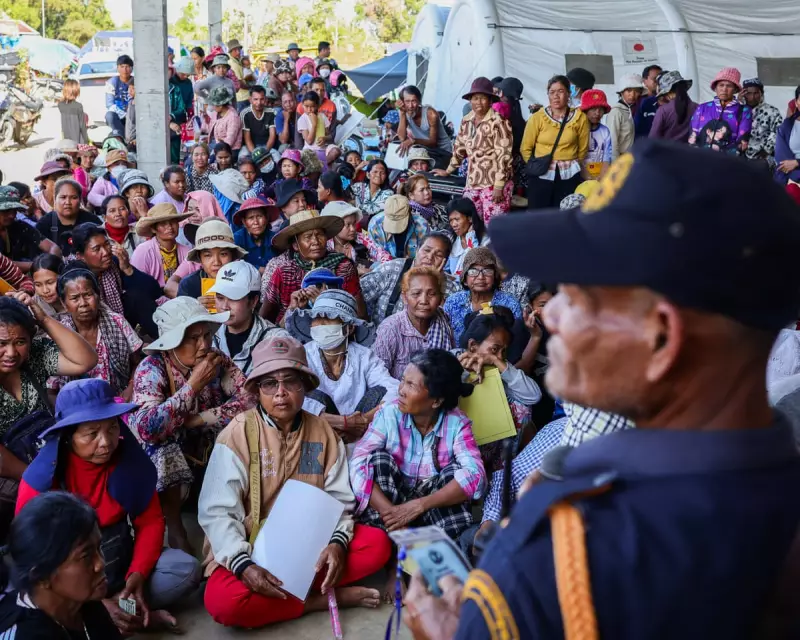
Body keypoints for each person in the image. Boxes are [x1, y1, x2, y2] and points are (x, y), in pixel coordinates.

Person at [404, 139, 800, 639]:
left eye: (580, 293)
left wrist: (449, 632)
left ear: (660, 337)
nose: (552, 314)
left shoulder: (557, 554)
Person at [198, 334, 389, 628]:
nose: (281, 393)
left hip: (311, 546)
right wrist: (244, 564)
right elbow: (218, 512)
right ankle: (317, 600)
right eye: (269, 384)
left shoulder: (323, 432)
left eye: (291, 381)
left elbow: (339, 498)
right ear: (257, 390)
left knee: (377, 545)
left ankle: (287, 593)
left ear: (306, 387)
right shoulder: (237, 434)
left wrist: (336, 544)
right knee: (222, 603)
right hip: (252, 547)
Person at [16, 379, 202, 634]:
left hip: (118, 571)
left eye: (112, 428)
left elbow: (149, 522)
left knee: (185, 570)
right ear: (68, 437)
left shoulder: (127, 459)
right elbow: (32, 563)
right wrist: (96, 603)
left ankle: (123, 612)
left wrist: (136, 575)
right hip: (73, 584)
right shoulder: (40, 483)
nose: (106, 442)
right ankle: (116, 617)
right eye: (92, 433)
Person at [350, 349, 486, 599]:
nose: (401, 389)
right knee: (377, 461)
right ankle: (395, 566)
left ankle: (415, 564)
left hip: (428, 507)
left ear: (435, 401)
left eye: (411, 384)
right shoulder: (389, 413)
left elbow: (476, 477)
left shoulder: (457, 423)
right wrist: (392, 513)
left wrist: (419, 505)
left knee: (455, 473)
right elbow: (358, 460)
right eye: (403, 380)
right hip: (390, 507)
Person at [129, 297, 254, 553]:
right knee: (163, 441)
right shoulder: (152, 369)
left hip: (207, 451)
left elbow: (250, 398)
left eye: (206, 335)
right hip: (173, 463)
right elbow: (148, 427)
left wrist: (201, 418)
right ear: (173, 342)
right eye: (192, 338)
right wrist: (192, 386)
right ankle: (175, 526)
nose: (204, 345)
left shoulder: (215, 360)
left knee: (247, 426)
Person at [0, 492, 123, 638]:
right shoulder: (24, 634)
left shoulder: (85, 604)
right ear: (42, 577)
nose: (100, 564)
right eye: (85, 556)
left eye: (98, 547)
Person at [285, 289, 397, 441]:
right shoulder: (303, 354)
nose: (320, 324)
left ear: (349, 328)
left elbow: (394, 390)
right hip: (318, 432)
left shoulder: (364, 356)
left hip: (360, 431)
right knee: (312, 396)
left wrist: (363, 420)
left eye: (329, 318)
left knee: (380, 392)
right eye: (317, 318)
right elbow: (291, 400)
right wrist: (343, 423)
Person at [0, 294, 96, 437]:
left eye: (20, 342)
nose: (11, 353)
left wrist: (44, 319)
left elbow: (86, 361)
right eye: (2, 343)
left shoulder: (34, 356)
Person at [47, 265, 141, 399]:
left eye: (88, 295)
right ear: (63, 303)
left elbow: (137, 362)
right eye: (75, 298)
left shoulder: (117, 322)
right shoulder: (58, 336)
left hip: (119, 399)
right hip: (77, 406)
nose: (83, 303)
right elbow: (51, 390)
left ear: (98, 296)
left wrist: (130, 389)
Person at [261, 209, 366, 323]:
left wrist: (325, 302)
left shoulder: (343, 267)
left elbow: (360, 316)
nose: (315, 241)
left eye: (319, 235)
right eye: (308, 237)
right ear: (296, 245)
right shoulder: (284, 272)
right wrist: (292, 308)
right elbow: (265, 318)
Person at [434, 78, 513, 224]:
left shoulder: (499, 122)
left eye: (483, 98)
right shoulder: (466, 120)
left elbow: (504, 155)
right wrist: (448, 170)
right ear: (470, 100)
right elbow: (459, 148)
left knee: (494, 227)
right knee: (472, 224)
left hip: (493, 184)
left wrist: (499, 185)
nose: (479, 102)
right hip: (472, 183)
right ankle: (475, 248)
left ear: (490, 101)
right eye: (475, 98)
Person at [70, 224, 161, 339]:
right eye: (96, 249)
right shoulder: (74, 277)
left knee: (136, 297)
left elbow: (154, 291)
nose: (105, 252)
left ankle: (168, 341)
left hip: (118, 316)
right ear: (80, 256)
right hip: (91, 326)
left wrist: (128, 269)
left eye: (106, 244)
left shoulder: (113, 262)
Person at [520, 75, 589, 209]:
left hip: (568, 174)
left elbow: (583, 148)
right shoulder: (538, 118)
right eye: (552, 92)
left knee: (564, 214)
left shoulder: (579, 118)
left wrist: (573, 163)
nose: (556, 96)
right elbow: (525, 148)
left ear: (569, 94)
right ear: (548, 95)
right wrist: (536, 166)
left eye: (560, 91)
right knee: (539, 215)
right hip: (541, 174)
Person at [372, 267, 455, 378]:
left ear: (440, 299)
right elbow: (377, 376)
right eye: (416, 293)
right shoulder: (390, 329)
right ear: (405, 297)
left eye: (431, 294)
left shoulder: (445, 320)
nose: (424, 301)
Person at [362, 232, 461, 324]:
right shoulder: (391, 270)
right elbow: (358, 295)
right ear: (417, 250)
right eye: (426, 250)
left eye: (438, 255)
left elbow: (450, 324)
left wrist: (436, 283)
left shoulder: (451, 290)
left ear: (445, 261)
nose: (430, 257)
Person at [210, 260, 283, 375]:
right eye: (220, 298)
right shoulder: (207, 337)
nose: (224, 307)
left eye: (233, 299)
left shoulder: (275, 341)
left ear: (253, 301)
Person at [444, 247, 523, 344]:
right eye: (473, 272)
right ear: (465, 279)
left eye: (487, 271)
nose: (481, 277)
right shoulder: (453, 302)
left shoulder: (510, 304)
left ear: (495, 277)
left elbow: (516, 343)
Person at [177, 218, 247, 302]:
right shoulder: (188, 285)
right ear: (200, 258)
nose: (217, 262)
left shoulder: (243, 281)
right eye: (208, 255)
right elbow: (181, 313)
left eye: (223, 254)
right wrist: (195, 307)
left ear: (232, 256)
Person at [689, 67, 752, 154]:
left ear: (735, 90)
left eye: (729, 86)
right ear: (715, 88)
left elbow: (742, 143)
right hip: (701, 160)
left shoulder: (744, 111)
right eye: (721, 85)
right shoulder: (702, 108)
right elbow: (692, 135)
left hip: (727, 163)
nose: (724, 89)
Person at [131, 203, 192, 289]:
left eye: (173, 222)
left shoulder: (187, 252)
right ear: (153, 229)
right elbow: (137, 285)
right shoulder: (143, 251)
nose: (170, 227)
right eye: (163, 224)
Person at [0, 186, 60, 272]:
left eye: (14, 210)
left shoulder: (19, 227)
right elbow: (2, 264)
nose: (12, 215)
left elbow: (52, 247)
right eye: (6, 210)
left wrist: (52, 261)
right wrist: (37, 265)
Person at [36, 179, 102, 255]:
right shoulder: (44, 224)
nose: (67, 202)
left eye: (73, 197)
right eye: (63, 197)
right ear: (55, 198)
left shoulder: (92, 221)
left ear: (80, 199)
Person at [396, 85, 454, 168]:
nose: (410, 106)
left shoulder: (431, 114)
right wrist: (402, 113)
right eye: (407, 101)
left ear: (419, 101)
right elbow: (401, 137)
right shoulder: (404, 111)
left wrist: (413, 141)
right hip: (426, 151)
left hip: (443, 153)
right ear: (402, 102)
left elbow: (433, 142)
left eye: (414, 101)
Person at [367, 194, 429, 261]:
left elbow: (425, 256)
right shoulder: (375, 225)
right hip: (383, 266)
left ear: (409, 212)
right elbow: (375, 255)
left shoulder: (422, 226)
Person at [741, 77, 783, 171]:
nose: (752, 97)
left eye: (756, 93)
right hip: (740, 157)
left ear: (761, 94)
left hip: (762, 157)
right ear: (744, 94)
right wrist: (738, 103)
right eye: (748, 93)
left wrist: (766, 152)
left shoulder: (772, 111)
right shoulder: (739, 110)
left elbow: (778, 132)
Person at [321, 200, 375, 269]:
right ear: (334, 226)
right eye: (348, 225)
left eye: (354, 223)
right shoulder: (326, 246)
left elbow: (381, 254)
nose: (352, 229)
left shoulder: (360, 238)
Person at [649, 70, 697, 142]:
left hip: (668, 152)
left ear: (668, 93)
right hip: (692, 152)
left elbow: (653, 138)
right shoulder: (698, 108)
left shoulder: (663, 111)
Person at [446, 198, 487, 277]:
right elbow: (446, 269)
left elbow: (475, 264)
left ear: (470, 218)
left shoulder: (485, 241)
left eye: (457, 219)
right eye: (451, 220)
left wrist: (471, 238)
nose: (453, 224)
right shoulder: (452, 241)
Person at [608, 74, 645, 160]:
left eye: (636, 91)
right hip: (620, 159)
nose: (632, 95)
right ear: (621, 92)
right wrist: (615, 166)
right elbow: (613, 142)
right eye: (628, 91)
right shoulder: (616, 112)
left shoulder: (630, 110)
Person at [580, 89, 613, 179]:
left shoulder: (605, 131)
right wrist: (587, 177)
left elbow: (607, 156)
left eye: (601, 109)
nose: (597, 113)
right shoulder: (578, 130)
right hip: (581, 175)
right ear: (585, 110)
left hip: (600, 175)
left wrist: (602, 176)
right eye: (593, 109)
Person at [207, 86, 243, 161]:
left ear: (220, 106)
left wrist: (214, 153)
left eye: (214, 105)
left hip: (229, 150)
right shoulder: (216, 113)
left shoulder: (233, 117)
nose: (213, 107)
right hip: (216, 145)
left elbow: (229, 142)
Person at [775, 86, 800, 187]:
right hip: (790, 178)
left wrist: (798, 163)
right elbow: (783, 161)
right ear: (796, 103)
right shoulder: (786, 126)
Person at [241, 86, 277, 155]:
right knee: (242, 157)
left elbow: (272, 136)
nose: (259, 102)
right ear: (250, 100)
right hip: (250, 147)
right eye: (255, 99)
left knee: (277, 158)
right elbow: (247, 139)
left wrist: (265, 152)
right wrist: (256, 154)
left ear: (265, 99)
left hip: (267, 147)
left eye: (262, 99)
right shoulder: (245, 114)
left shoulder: (272, 113)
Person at [105, 55, 133, 134]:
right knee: (109, 115)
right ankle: (121, 137)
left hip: (133, 116)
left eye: (127, 66)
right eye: (122, 66)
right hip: (119, 116)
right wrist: (124, 115)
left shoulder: (136, 81)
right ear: (117, 68)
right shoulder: (112, 82)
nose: (125, 69)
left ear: (131, 68)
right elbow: (109, 104)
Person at [634, 64, 663, 138]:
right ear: (644, 81)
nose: (658, 82)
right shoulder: (637, 101)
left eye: (661, 79)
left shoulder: (669, 100)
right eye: (654, 79)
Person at [32, 253, 65, 317]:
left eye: (50, 283)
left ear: (63, 278)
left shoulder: (76, 301)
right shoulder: (34, 305)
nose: (45, 290)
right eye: (38, 285)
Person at [58, 79, 89, 144]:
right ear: (76, 91)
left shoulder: (60, 105)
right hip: (78, 142)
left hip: (66, 142)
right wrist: (86, 141)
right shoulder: (78, 106)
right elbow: (82, 127)